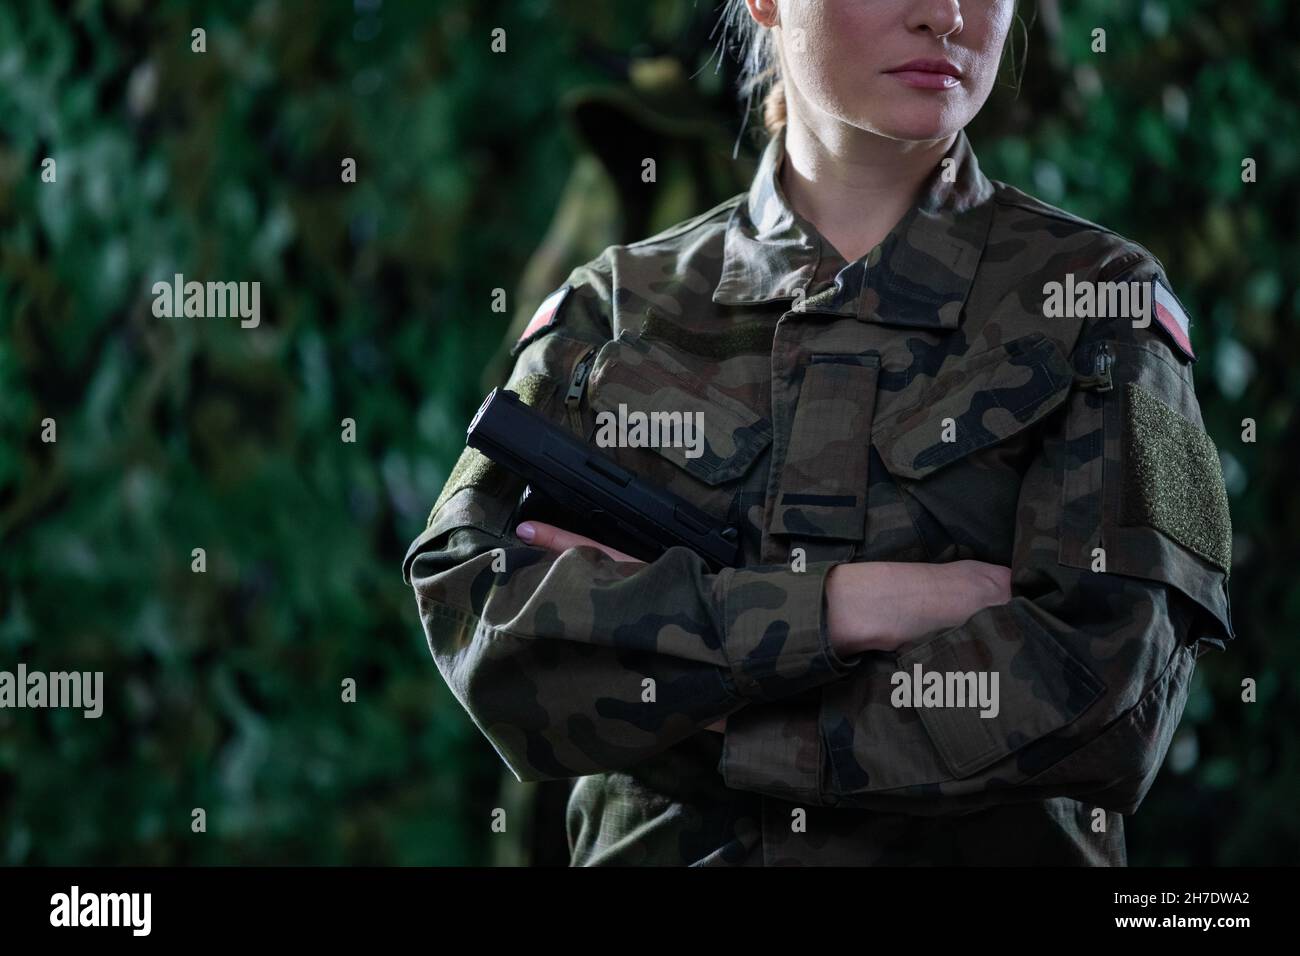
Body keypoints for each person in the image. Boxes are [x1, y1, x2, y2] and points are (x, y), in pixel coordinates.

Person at [403, 0, 1235, 865]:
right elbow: (481, 621)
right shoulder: (612, 304)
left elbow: (1111, 696)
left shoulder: (1102, 301)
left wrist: (704, 696)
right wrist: (845, 610)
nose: (946, 16)